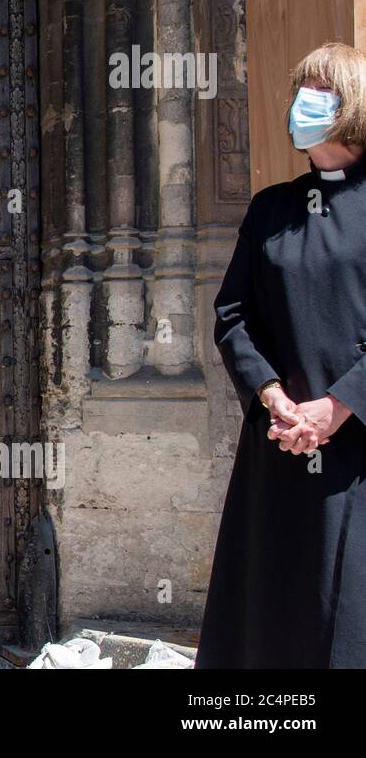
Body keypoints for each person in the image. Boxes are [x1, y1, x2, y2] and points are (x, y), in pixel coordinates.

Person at [199, 41, 366, 667]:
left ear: (351, 103)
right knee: (270, 617)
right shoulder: (272, 208)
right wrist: (274, 398)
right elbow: (234, 314)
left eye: (319, 90)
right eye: (301, 89)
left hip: (354, 448)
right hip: (281, 443)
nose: (303, 102)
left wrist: (339, 407)